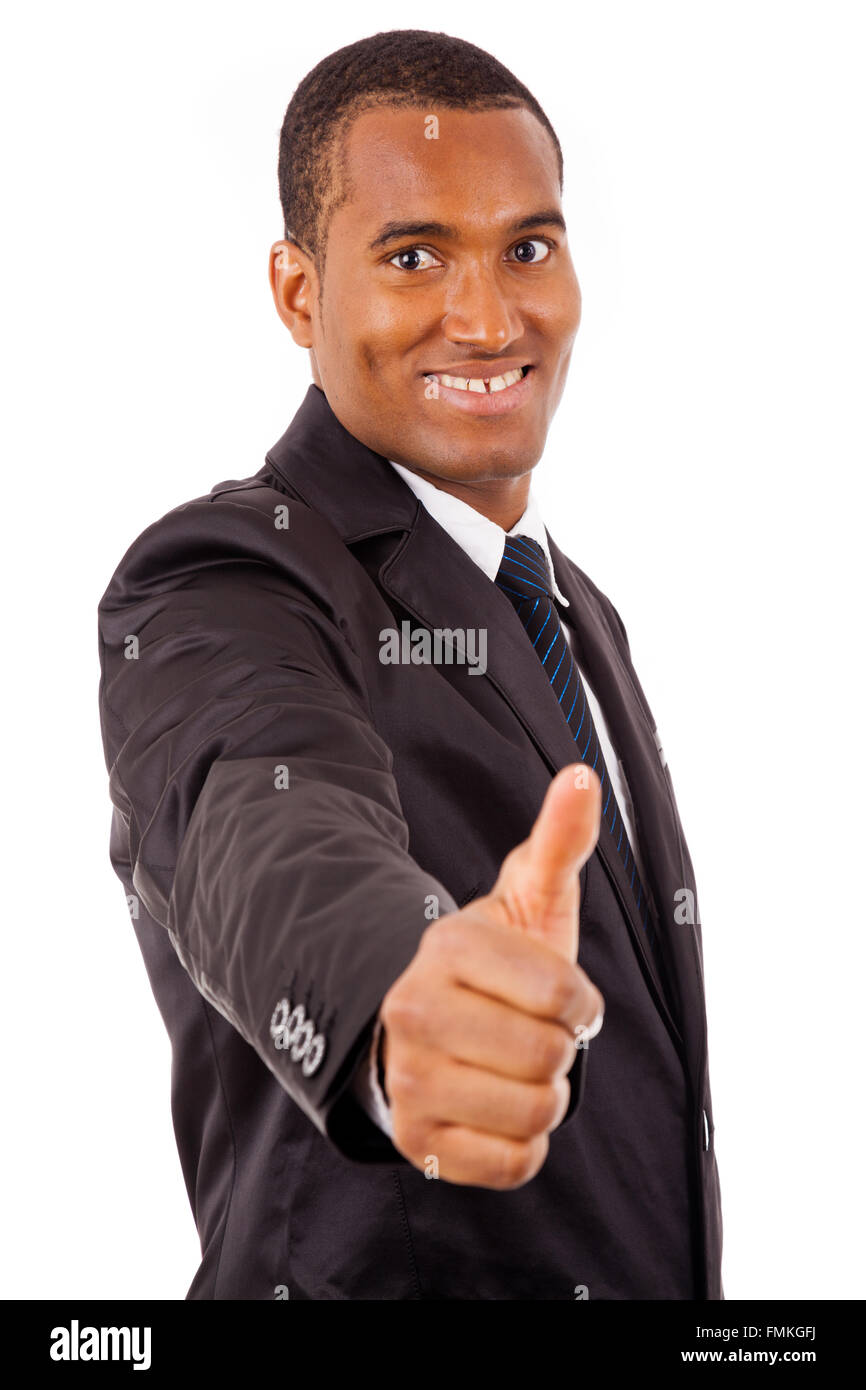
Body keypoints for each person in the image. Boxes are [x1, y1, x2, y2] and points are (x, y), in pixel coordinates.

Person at [97, 28, 723, 1300]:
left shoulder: (570, 606)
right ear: (296, 293)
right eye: (412, 255)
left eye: (526, 249)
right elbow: (260, 814)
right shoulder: (228, 572)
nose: (489, 317)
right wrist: (394, 1002)